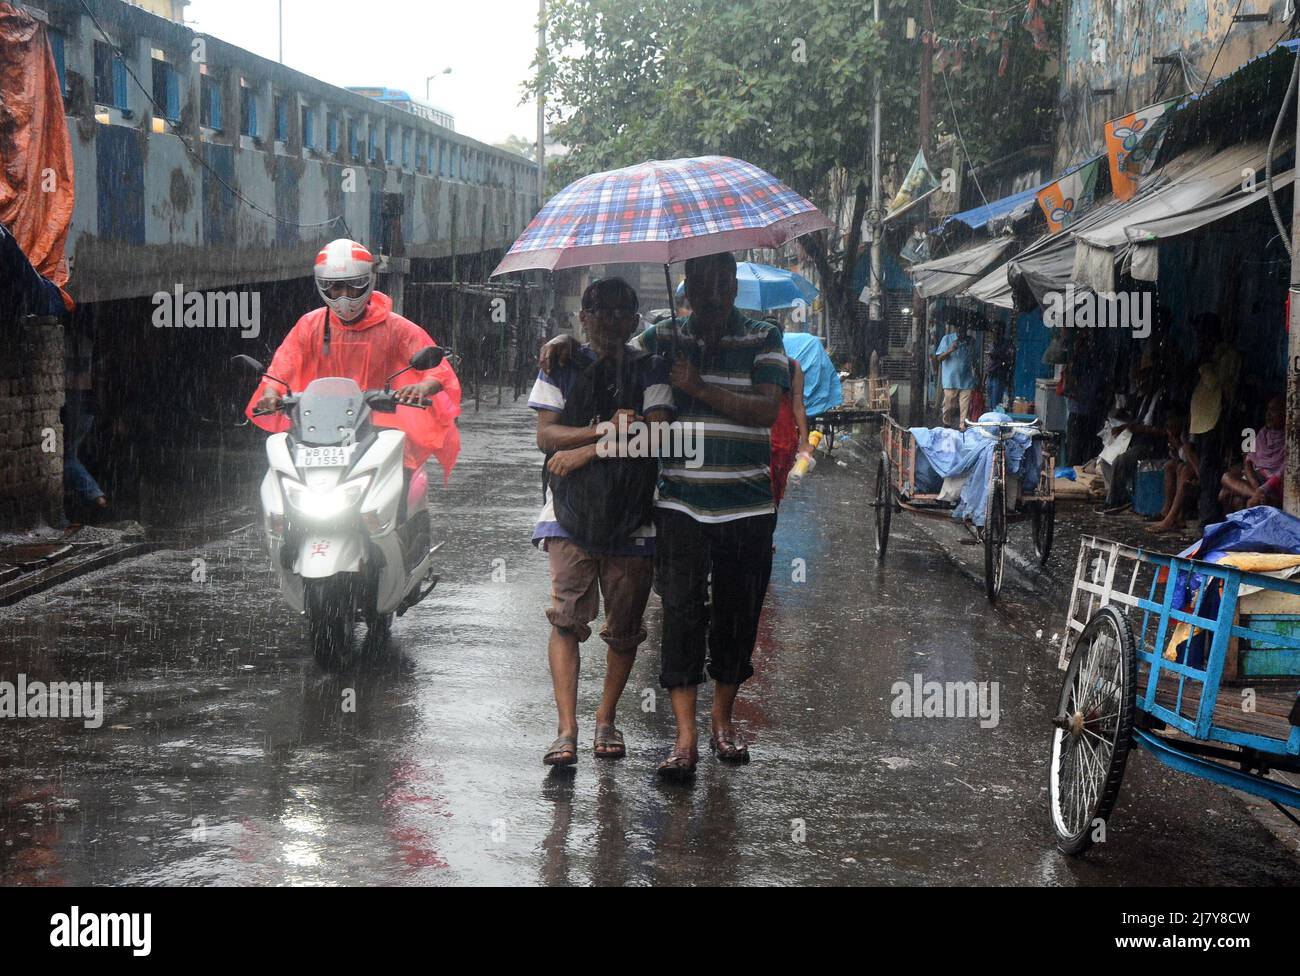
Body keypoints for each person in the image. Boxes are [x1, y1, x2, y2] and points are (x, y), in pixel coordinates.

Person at [541, 254, 788, 778]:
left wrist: (698, 387)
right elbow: (612, 349)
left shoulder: (765, 337)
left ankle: (722, 721)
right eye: (701, 283)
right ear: (688, 288)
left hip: (747, 501)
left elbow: (767, 410)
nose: (712, 292)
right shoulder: (663, 338)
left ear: (734, 285)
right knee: (681, 613)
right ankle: (685, 737)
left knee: (737, 614)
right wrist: (565, 343)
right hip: (679, 502)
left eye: (722, 282)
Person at [529, 278, 675, 767]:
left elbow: (656, 439)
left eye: (621, 311)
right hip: (569, 514)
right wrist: (603, 432)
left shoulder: (652, 368)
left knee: (625, 626)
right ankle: (566, 730)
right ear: (583, 318)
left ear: (636, 320)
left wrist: (586, 452)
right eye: (599, 311)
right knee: (566, 619)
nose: (610, 321)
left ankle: (605, 719)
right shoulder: (561, 365)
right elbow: (546, 436)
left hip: (633, 514)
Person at [245, 238, 462, 495]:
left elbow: (436, 368)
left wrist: (422, 387)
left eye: (352, 286)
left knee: (399, 484)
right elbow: (282, 364)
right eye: (335, 288)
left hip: (380, 424)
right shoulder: (310, 325)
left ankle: (404, 527)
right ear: (323, 286)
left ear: (367, 283)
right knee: (283, 480)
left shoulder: (395, 326)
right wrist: (271, 393)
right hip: (319, 427)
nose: (344, 296)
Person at [1097, 360, 1168, 515]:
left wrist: (1140, 429)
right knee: (1105, 459)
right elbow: (1134, 420)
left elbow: (1164, 431)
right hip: (1134, 439)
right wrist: (1123, 427)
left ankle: (1114, 501)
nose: (1140, 383)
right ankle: (1118, 495)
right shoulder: (1142, 399)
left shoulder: (1162, 400)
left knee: (1120, 461)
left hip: (1150, 445)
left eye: (1143, 380)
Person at [62, 321, 108, 518]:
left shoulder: (62, 342)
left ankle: (94, 494)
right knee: (68, 454)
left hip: (73, 402)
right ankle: (89, 496)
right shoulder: (88, 343)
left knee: (65, 456)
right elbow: (98, 377)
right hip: (87, 404)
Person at [1220, 395, 1285, 512]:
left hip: (1274, 485)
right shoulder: (1263, 433)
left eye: (1274, 410)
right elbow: (1248, 462)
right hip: (1258, 484)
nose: (1268, 414)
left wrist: (1263, 489)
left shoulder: (1291, 439)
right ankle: (1261, 498)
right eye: (1268, 410)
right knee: (1226, 477)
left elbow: (1282, 473)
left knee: (1229, 496)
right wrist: (1257, 490)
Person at [1146, 413, 1198, 534]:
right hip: (1188, 463)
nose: (1168, 426)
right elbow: (1178, 457)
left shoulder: (1192, 431)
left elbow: (1189, 455)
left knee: (1184, 470)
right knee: (1172, 466)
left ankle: (1170, 519)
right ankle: (1169, 512)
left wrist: (1178, 444)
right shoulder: (1181, 432)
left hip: (1199, 467)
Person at [770, 356, 809, 508]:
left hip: (782, 439)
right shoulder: (792, 366)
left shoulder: (793, 366)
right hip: (772, 436)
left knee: (772, 494)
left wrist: (805, 442)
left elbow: (798, 406)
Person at [933, 313, 977, 428]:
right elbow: (939, 358)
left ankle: (963, 427)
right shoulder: (947, 339)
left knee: (965, 408)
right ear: (956, 328)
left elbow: (974, 360)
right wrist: (950, 350)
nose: (962, 330)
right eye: (960, 328)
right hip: (950, 380)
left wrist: (978, 378)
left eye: (965, 328)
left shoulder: (971, 341)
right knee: (948, 406)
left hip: (966, 379)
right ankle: (947, 424)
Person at [984, 321, 1015, 412]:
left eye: (998, 330)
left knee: (996, 404)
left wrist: (998, 357)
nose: (995, 332)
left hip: (999, 376)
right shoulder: (992, 344)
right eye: (994, 330)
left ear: (1003, 332)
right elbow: (988, 363)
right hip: (990, 376)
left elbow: (1010, 361)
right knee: (990, 402)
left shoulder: (1007, 344)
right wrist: (984, 379)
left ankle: (995, 423)